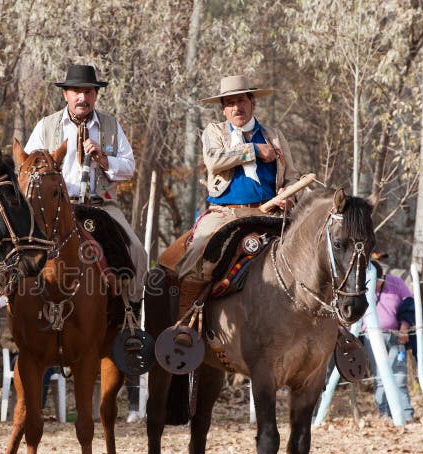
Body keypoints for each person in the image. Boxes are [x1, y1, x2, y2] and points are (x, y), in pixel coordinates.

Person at [23, 64, 147, 314]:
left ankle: (131, 316)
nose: (83, 98)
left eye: (89, 92)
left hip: (101, 205)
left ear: (96, 95)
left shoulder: (110, 126)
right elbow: (27, 166)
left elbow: (129, 168)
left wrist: (103, 159)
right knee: (22, 248)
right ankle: (17, 308)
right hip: (57, 205)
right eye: (77, 92)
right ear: (65, 95)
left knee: (138, 251)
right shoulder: (46, 126)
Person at [174, 75, 299, 322]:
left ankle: (333, 327)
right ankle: (184, 324)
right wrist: (252, 151)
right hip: (225, 213)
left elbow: (292, 176)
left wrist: (289, 196)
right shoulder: (214, 132)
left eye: (241, 100)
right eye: (229, 103)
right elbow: (213, 160)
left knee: (312, 249)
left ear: (253, 102)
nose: (236, 107)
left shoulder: (274, 135)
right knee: (197, 253)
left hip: (270, 213)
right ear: (223, 108)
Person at [360, 260, 414, 421]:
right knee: (380, 376)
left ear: (382, 277)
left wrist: (404, 327)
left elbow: (409, 306)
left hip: (397, 336)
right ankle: (384, 414)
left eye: (378, 281)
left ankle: (406, 414)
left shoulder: (396, 283)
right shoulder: (360, 285)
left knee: (399, 376)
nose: (375, 285)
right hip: (372, 337)